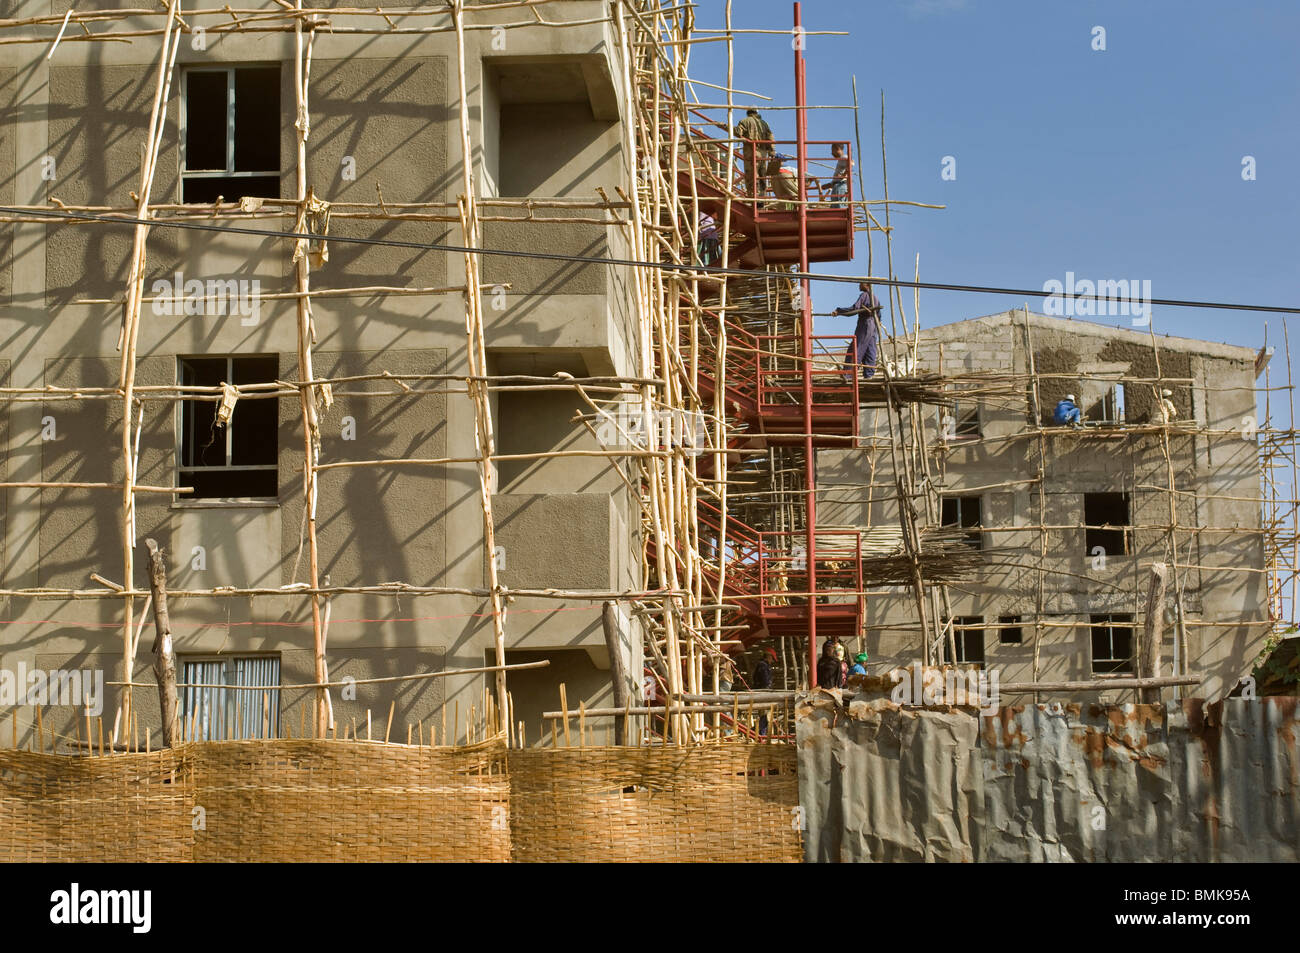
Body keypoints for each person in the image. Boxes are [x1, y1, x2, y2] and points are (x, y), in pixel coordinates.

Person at [833, 282, 881, 380]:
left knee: (856, 348)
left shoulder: (864, 295)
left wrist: (839, 311)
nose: (859, 285)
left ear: (867, 285)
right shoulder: (875, 298)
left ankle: (848, 374)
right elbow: (879, 316)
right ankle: (869, 374)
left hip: (865, 324)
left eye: (861, 284)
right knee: (870, 349)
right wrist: (878, 322)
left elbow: (854, 309)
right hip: (873, 325)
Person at [734, 108, 776, 196]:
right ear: (757, 113)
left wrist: (727, 127)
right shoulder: (764, 123)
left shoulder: (745, 121)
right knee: (762, 175)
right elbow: (770, 137)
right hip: (763, 153)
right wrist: (772, 151)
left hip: (751, 151)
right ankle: (762, 196)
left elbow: (738, 132)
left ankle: (753, 196)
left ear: (748, 113)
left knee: (751, 175)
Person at [828, 143, 850, 207]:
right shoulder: (841, 160)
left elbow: (850, 164)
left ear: (837, 149)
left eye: (832, 150)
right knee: (835, 207)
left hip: (840, 186)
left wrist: (843, 175)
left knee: (839, 207)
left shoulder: (844, 157)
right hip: (837, 186)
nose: (832, 153)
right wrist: (830, 184)